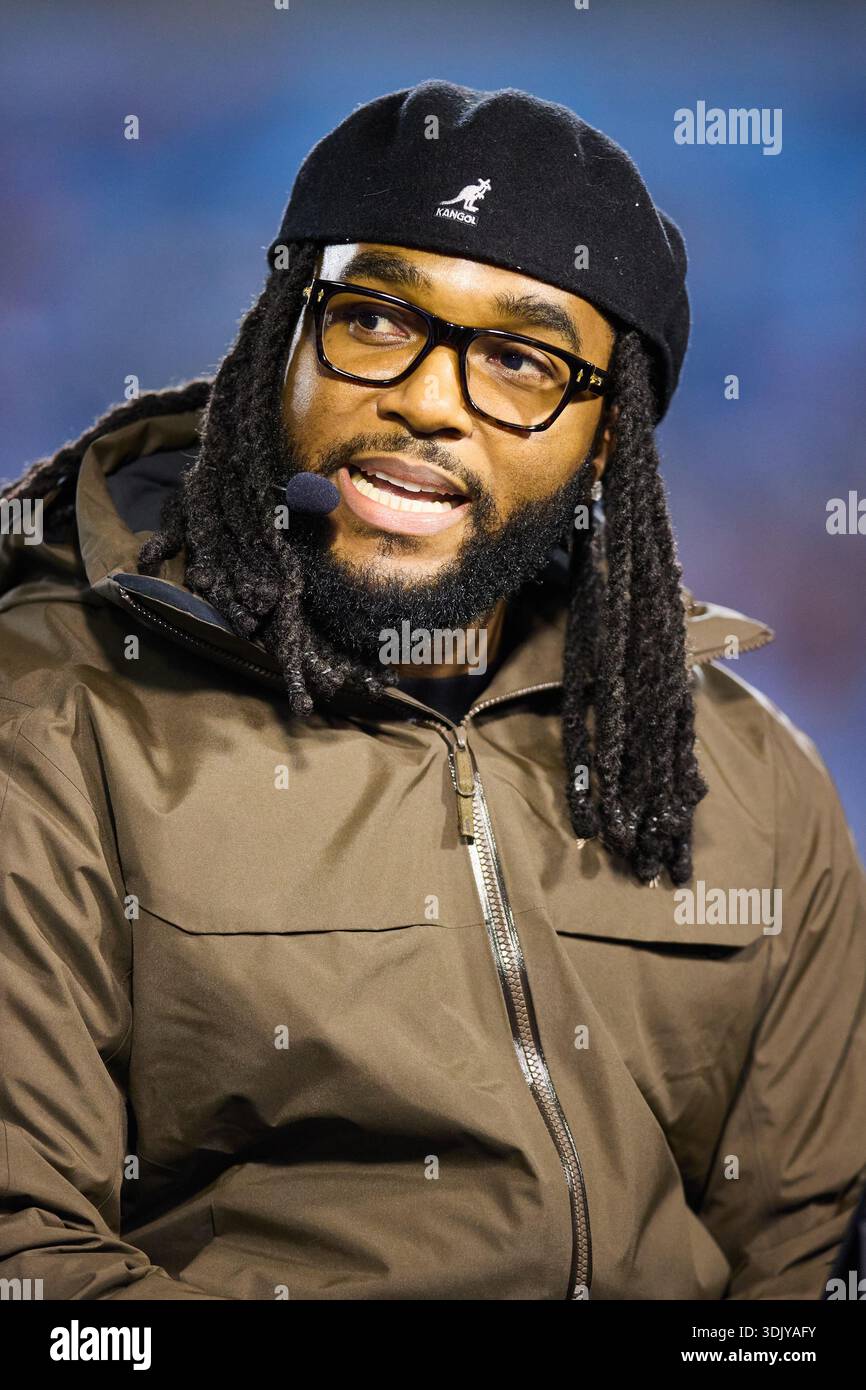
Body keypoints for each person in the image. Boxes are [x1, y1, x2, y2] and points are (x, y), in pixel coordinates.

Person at [0, 80, 863, 1302]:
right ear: (282, 337)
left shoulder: (744, 775)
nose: (425, 396)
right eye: (373, 319)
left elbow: (800, 1262)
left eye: (519, 359)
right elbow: (28, 1272)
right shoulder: (48, 715)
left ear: (608, 438)